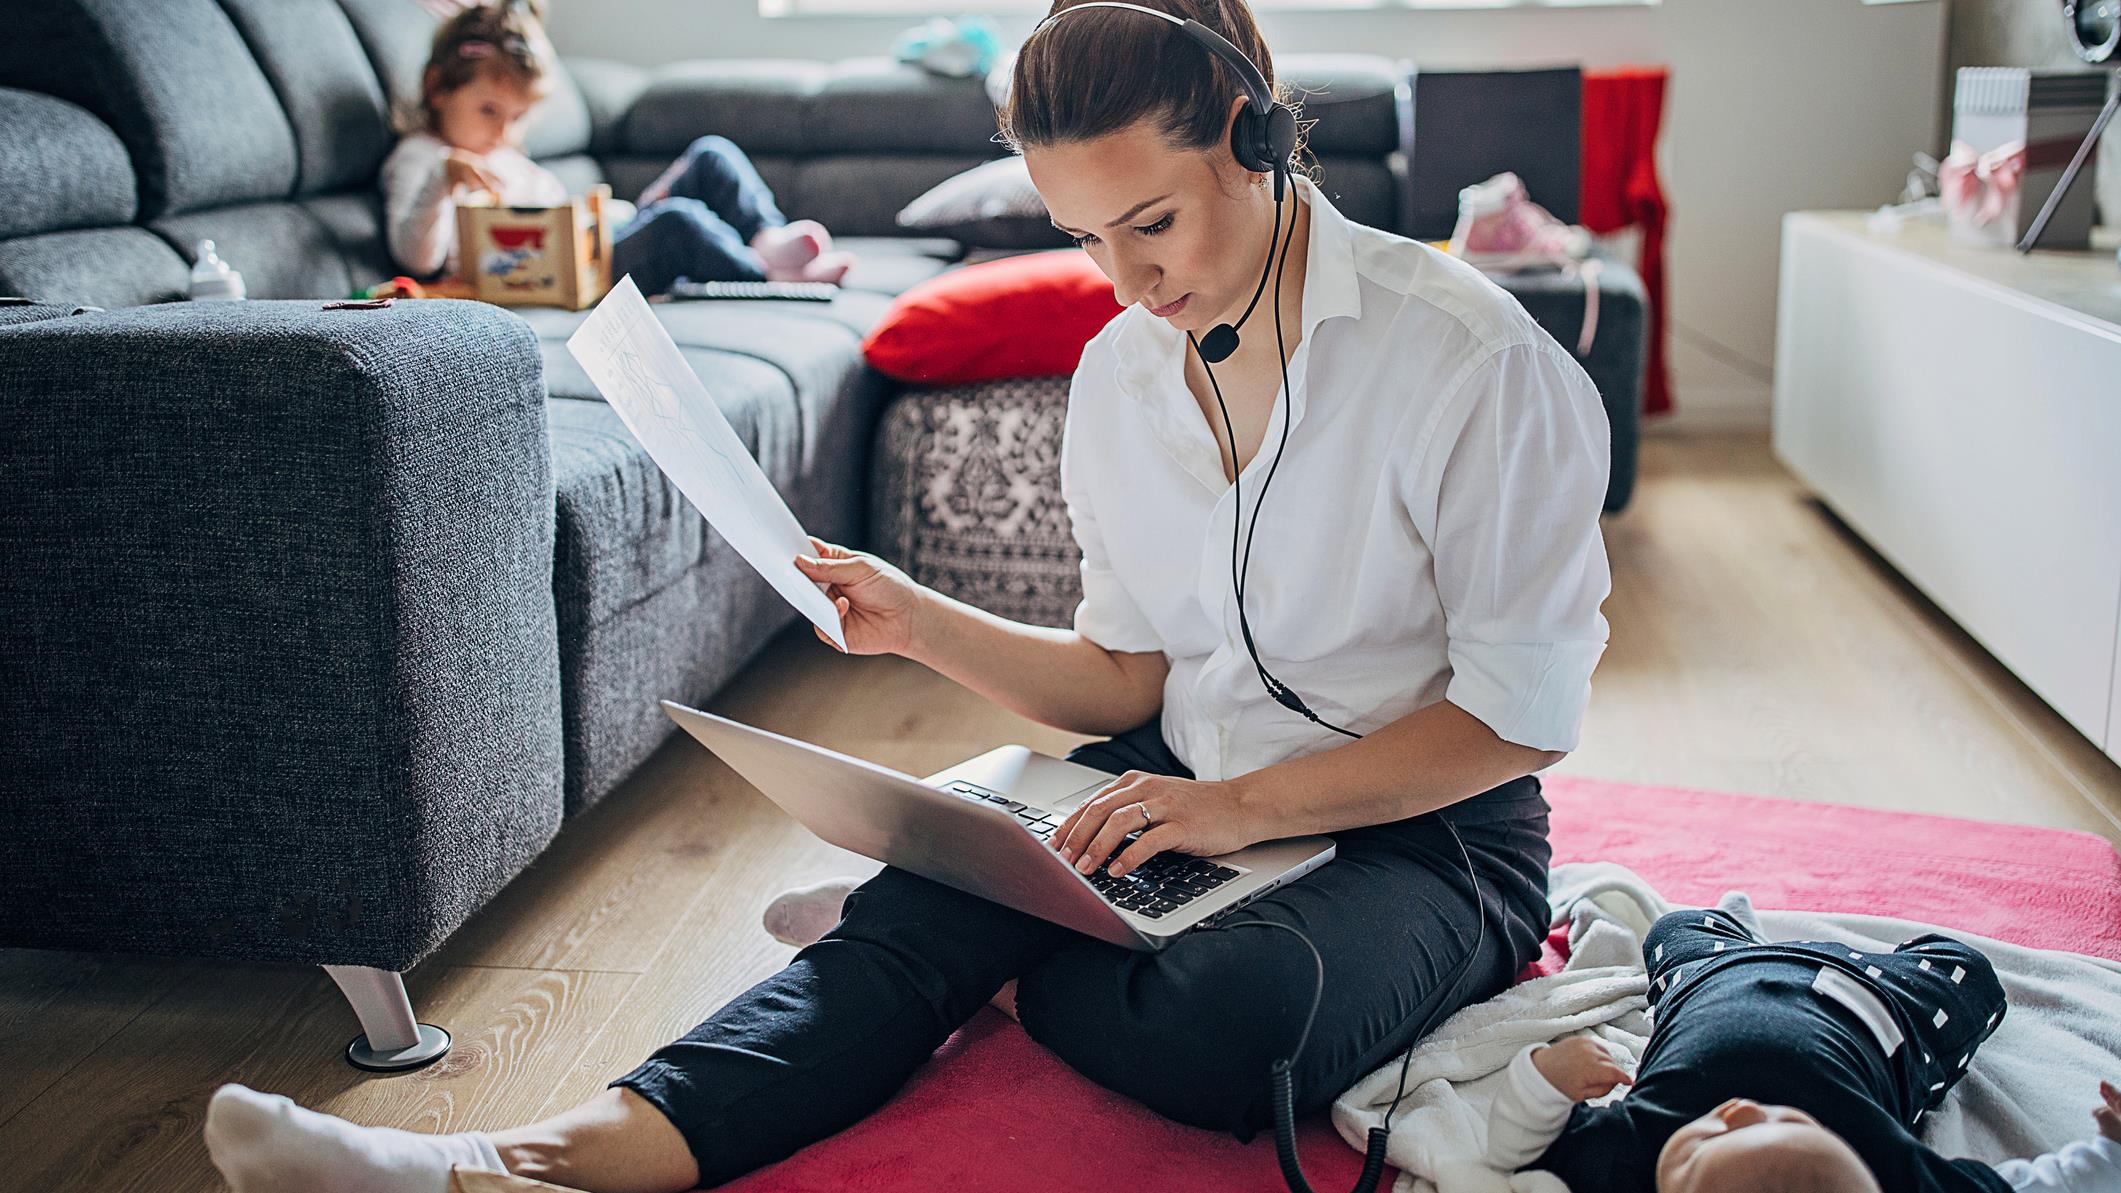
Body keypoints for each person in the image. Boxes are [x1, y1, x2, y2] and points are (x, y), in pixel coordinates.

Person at [203, 0, 1611, 1189]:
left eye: (1151, 224)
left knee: (1229, 1024)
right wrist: (916, 620)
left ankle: (971, 950)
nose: (1126, 282)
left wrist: (1231, 812)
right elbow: (1126, 678)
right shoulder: (1123, 371)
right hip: (1175, 778)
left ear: (1257, 139)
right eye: (1083, 239)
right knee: (930, 905)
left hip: (1427, 834)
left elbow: (1518, 719)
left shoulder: (1470, 362)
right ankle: (504, 1165)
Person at [1486, 908, 2121, 1192]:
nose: (1739, 1109)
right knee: (1969, 974)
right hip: (1885, 1010)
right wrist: (2111, 1153)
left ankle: (1728, 936)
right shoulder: (1895, 1174)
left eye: (1706, 1147)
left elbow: (1517, 1147)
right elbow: (2047, 1186)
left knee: (1674, 927)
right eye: (1792, 1124)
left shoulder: (1626, 1161)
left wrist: (1542, 1078)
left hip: (1715, 977)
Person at [380, 0, 848, 294]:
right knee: (676, 222)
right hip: (573, 279)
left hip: (596, 241)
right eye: (489, 111)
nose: (503, 132)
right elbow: (415, 258)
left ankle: (768, 238)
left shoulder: (500, 153)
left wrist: (612, 216)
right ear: (438, 88)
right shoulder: (422, 158)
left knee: (711, 155)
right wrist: (445, 179)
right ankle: (767, 276)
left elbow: (560, 209)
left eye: (517, 118)